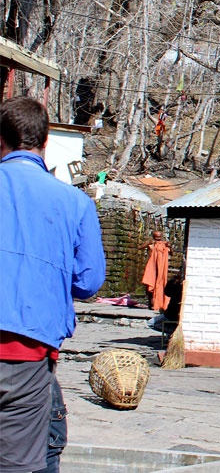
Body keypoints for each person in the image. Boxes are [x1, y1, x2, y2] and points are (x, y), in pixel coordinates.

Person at [0, 97, 107, 473]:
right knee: (19, 463)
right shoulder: (74, 202)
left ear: (1, 141)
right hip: (27, 356)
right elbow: (88, 281)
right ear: (45, 144)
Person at [140, 230, 172, 312]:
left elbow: (171, 253)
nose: (158, 239)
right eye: (156, 237)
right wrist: (148, 243)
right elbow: (140, 247)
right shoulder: (151, 243)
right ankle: (151, 304)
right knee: (150, 285)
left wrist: (170, 247)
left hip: (161, 268)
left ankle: (160, 303)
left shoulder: (164, 244)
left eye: (159, 237)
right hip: (152, 267)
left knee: (161, 285)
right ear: (153, 237)